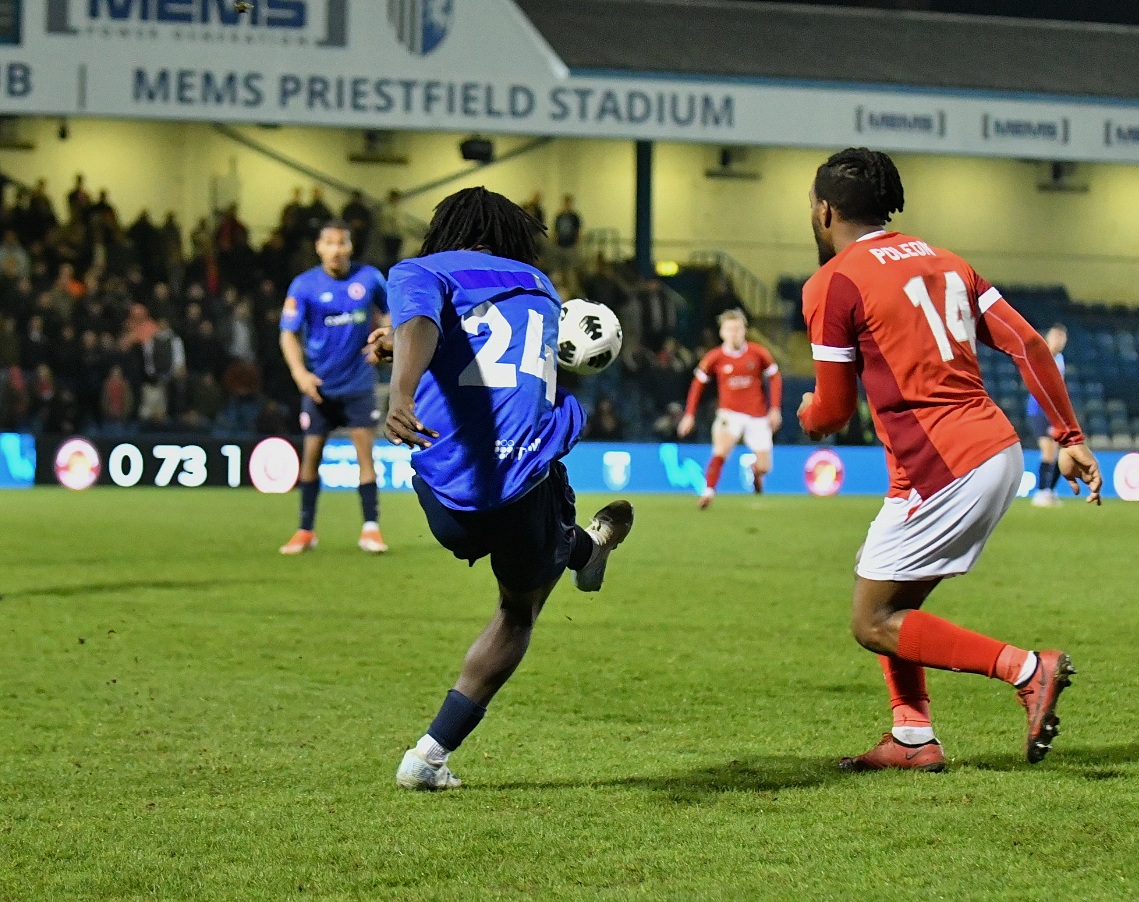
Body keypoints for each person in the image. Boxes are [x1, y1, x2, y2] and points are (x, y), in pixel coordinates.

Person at [796, 148, 1102, 772]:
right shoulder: (947, 262)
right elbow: (1029, 344)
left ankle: (1025, 670)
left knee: (872, 619)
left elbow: (831, 413)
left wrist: (805, 415)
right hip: (996, 448)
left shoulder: (834, 282)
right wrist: (1068, 436)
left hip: (945, 464)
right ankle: (912, 738)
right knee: (888, 592)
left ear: (825, 211)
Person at [362, 186, 634, 791]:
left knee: (539, 497)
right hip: (521, 487)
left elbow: (423, 323)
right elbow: (483, 345)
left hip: (447, 494)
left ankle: (582, 550)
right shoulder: (542, 287)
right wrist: (401, 352)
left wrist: (400, 389)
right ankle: (427, 758)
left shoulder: (419, 269)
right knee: (518, 609)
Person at [278, 220, 391, 555]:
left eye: (342, 243)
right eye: (329, 243)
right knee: (310, 456)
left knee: (365, 456)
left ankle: (371, 529)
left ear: (350, 246)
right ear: (319, 247)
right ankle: (305, 530)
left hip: (358, 382)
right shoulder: (304, 285)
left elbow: (389, 315)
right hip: (320, 385)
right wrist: (300, 374)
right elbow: (288, 333)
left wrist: (381, 341)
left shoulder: (369, 278)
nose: (336, 250)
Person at [677, 309, 782, 508]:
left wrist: (775, 408)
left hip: (757, 414)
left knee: (766, 467)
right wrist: (689, 415)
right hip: (729, 413)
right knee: (720, 450)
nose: (734, 333)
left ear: (745, 331)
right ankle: (708, 492)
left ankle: (756, 471)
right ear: (722, 333)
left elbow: (775, 378)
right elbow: (697, 386)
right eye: (729, 329)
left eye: (737, 329)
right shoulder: (714, 357)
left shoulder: (758, 352)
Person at [1029, 324, 1069, 507]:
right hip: (1039, 410)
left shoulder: (1060, 359)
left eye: (1061, 338)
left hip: (1053, 412)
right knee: (1048, 451)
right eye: (1055, 337)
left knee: (1060, 451)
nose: (1058, 341)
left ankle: (1050, 491)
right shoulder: (1040, 356)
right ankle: (1041, 492)